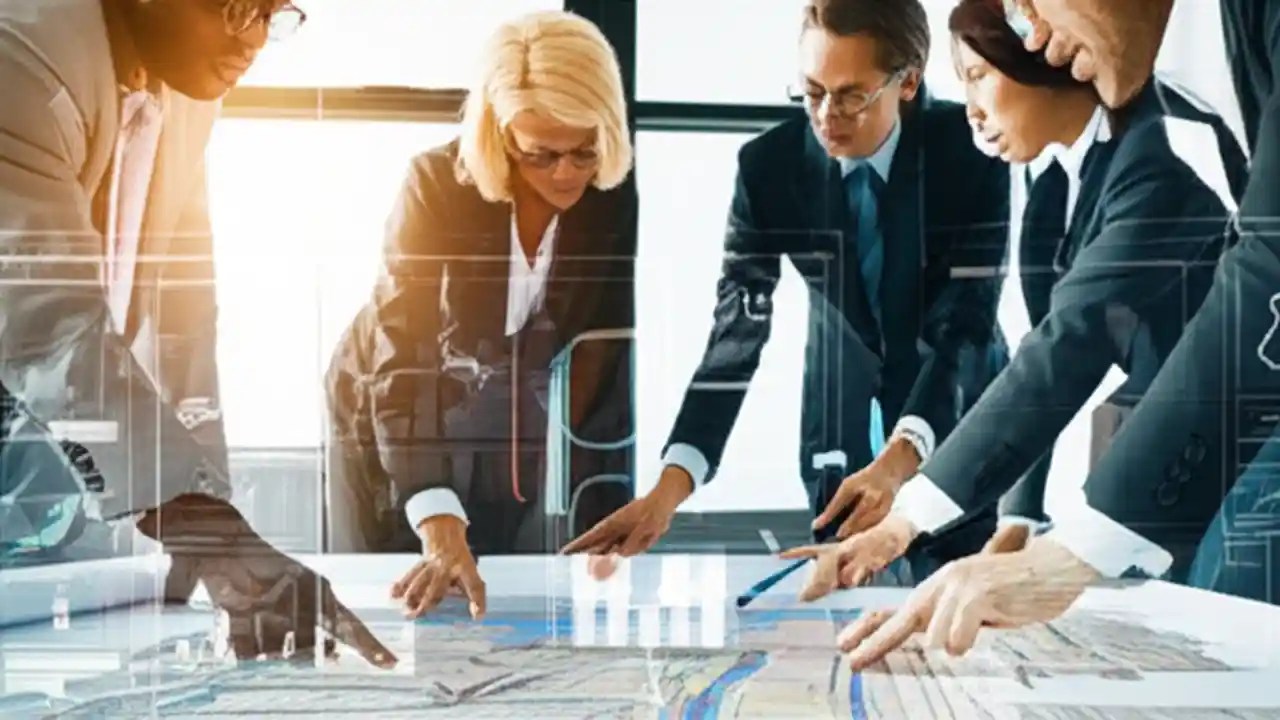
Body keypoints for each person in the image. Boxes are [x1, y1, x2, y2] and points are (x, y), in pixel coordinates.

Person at [831, 0, 1280, 668]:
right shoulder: (1082, 171)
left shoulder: (1155, 153)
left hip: (1228, 446)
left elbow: (1066, 350)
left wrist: (1070, 553)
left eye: (1024, 5)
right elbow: (1040, 356)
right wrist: (987, 524)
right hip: (1204, 444)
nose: (1032, 34)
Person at [0, 0, 393, 666]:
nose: (257, 39)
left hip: (46, 454)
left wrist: (212, 521)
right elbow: (45, 318)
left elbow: (183, 314)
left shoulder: (183, 96)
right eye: (240, 7)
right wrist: (202, 527)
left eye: (275, 12)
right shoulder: (20, 48)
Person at [564, 0, 1011, 580]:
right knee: (839, 596)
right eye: (812, 90)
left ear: (908, 81)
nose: (826, 115)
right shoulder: (768, 168)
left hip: (952, 408)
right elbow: (737, 332)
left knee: (953, 598)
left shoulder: (969, 151)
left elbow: (967, 322)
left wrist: (901, 460)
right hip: (839, 409)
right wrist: (668, 490)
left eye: (851, 95)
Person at [323, 10, 637, 620]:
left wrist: (597, 506)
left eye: (584, 150)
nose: (567, 173)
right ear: (500, 136)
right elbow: (403, 352)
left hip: (504, 393)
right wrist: (435, 510)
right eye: (541, 154)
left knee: (486, 575)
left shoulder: (613, 194)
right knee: (402, 573)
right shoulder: (434, 185)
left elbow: (601, 347)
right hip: (388, 393)